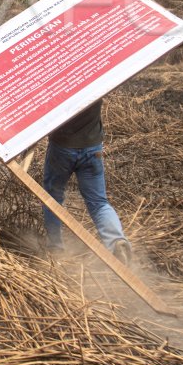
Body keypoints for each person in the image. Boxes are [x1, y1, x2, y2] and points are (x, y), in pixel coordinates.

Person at [41, 98, 133, 265]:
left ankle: (56, 248)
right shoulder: (91, 76)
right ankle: (116, 242)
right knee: (99, 202)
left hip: (62, 148)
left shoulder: (59, 80)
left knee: (52, 198)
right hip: (93, 148)